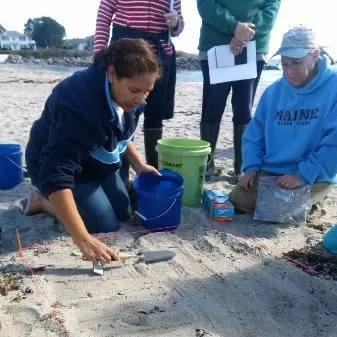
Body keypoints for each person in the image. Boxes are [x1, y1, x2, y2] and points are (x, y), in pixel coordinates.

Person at [24, 39, 161, 265]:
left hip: (95, 161)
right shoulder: (79, 105)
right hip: (51, 161)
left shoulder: (132, 96)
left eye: (147, 91)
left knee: (123, 212)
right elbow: (56, 173)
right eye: (135, 90)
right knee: (103, 225)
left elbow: (123, 135)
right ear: (112, 73)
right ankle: (40, 201)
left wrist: (139, 165)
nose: (140, 99)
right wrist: (83, 240)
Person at [229, 26, 337, 214]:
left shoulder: (333, 86)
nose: (289, 71)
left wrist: (302, 174)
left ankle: (313, 200)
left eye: (296, 63)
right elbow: (254, 136)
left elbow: (334, 145)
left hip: (315, 173)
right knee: (238, 200)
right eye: (284, 64)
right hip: (274, 171)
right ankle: (300, 204)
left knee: (279, 209)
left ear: (314, 55)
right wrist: (251, 167)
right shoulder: (273, 92)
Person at [94, 0, 184, 181]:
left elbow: (178, 27)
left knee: (155, 115)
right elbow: (104, 15)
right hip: (126, 54)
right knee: (123, 112)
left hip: (159, 55)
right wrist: (99, 54)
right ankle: (121, 174)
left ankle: (152, 172)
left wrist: (176, 23)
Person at [197, 0, 281, 179]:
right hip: (214, 45)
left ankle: (241, 166)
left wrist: (244, 33)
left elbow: (271, 9)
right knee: (212, 106)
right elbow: (205, 4)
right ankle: (207, 163)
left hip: (254, 48)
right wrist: (233, 27)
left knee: (244, 108)